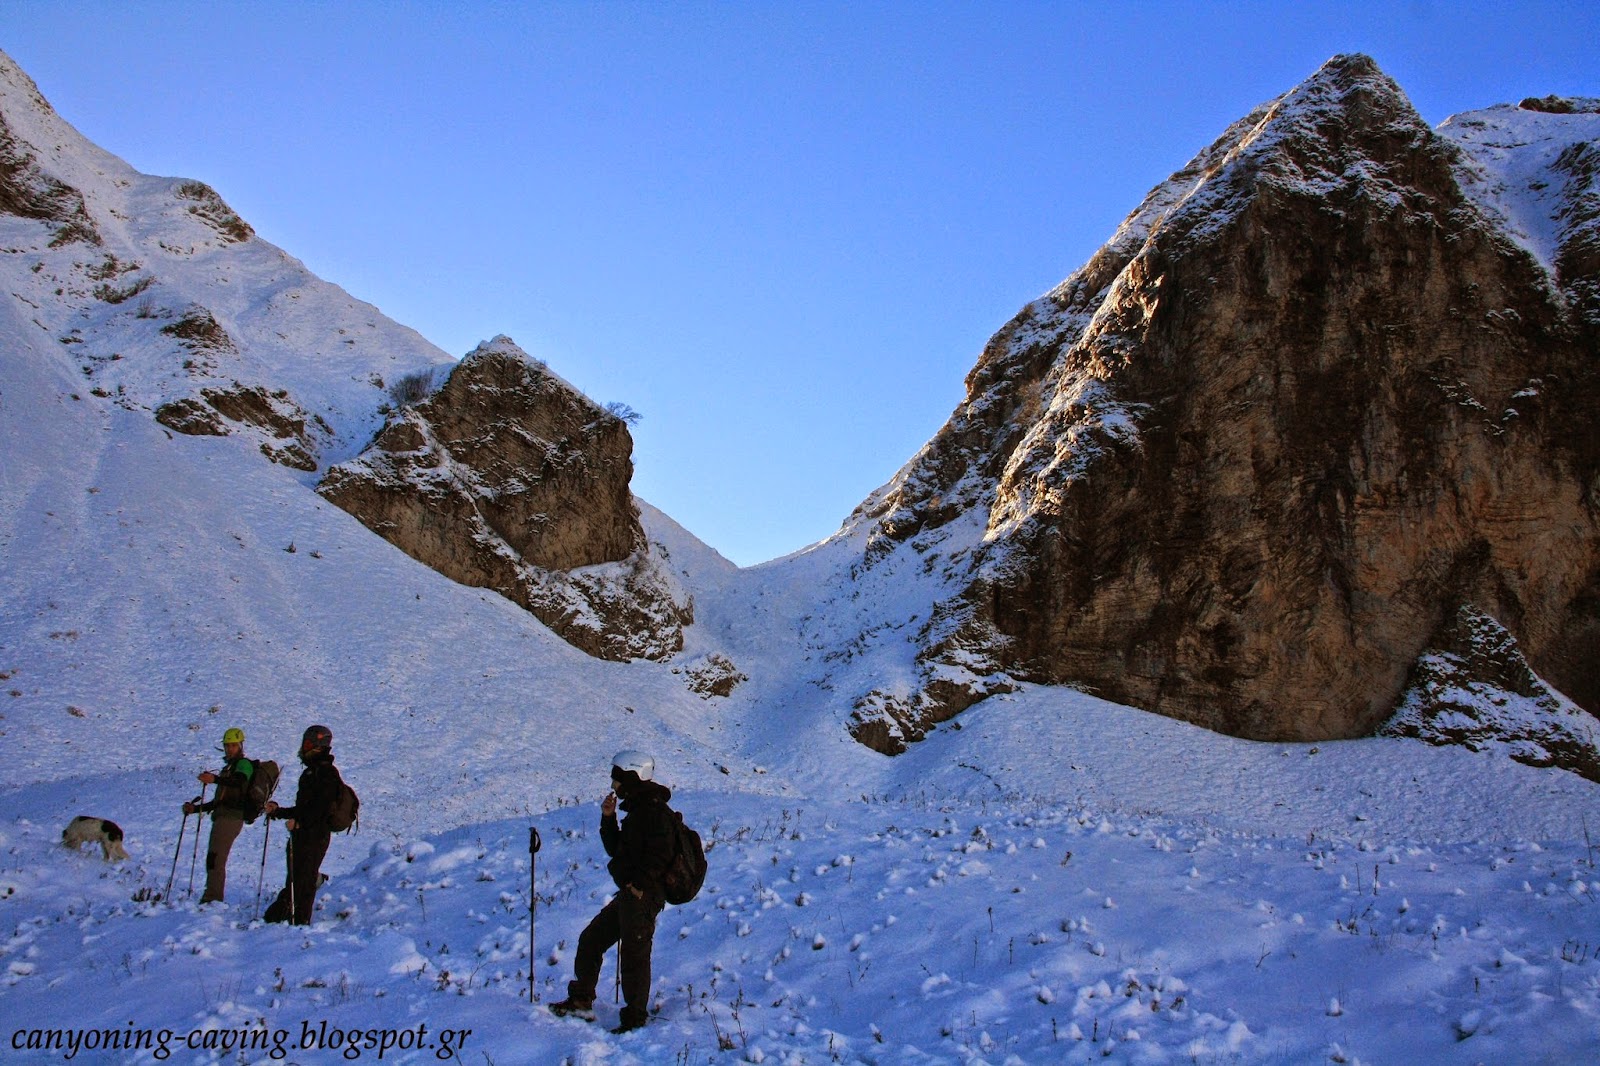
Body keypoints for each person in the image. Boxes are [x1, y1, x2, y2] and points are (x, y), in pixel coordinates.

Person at [549, 750, 675, 1034]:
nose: (613, 785)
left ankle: (634, 1020)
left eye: (617, 778)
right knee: (592, 939)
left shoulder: (653, 811)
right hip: (631, 895)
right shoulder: (638, 809)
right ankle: (581, 1000)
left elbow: (661, 855)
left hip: (642, 897)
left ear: (631, 777)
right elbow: (618, 851)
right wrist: (608, 819)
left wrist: (638, 885)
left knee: (634, 956)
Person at [262, 725, 339, 926]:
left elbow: (321, 809)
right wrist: (278, 811)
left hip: (314, 835)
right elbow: (303, 808)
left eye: (307, 743)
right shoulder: (311, 773)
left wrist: (300, 823)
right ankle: (290, 918)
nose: (303, 748)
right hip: (302, 834)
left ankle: (300, 925)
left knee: (304, 881)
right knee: (297, 878)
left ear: (319, 745)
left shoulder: (325, 773)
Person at [183, 727, 254, 904]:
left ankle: (212, 898)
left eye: (233, 745)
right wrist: (196, 809)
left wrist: (215, 779)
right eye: (227, 746)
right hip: (223, 816)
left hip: (231, 818)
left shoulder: (243, 765)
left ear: (240, 746)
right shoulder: (228, 769)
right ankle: (212, 896)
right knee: (214, 857)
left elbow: (239, 782)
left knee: (216, 857)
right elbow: (218, 801)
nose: (230, 749)